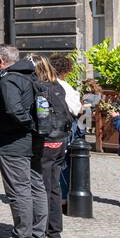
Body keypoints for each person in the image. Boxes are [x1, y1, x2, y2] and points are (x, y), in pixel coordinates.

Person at [0, 43, 47, 238]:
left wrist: (27, 125)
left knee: (19, 189)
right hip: (33, 139)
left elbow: (14, 110)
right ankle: (38, 236)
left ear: (2, 61)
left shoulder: (9, 79)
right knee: (35, 185)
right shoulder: (30, 75)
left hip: (13, 142)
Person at [33, 56, 73, 238]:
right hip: (60, 139)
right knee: (54, 186)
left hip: (47, 140)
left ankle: (43, 230)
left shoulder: (40, 88)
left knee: (43, 186)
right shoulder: (58, 86)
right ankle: (55, 231)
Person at [50, 54, 83, 210]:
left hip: (49, 128)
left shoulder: (44, 84)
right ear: (66, 71)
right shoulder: (64, 86)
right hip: (65, 127)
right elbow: (76, 108)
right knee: (63, 162)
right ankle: (63, 197)